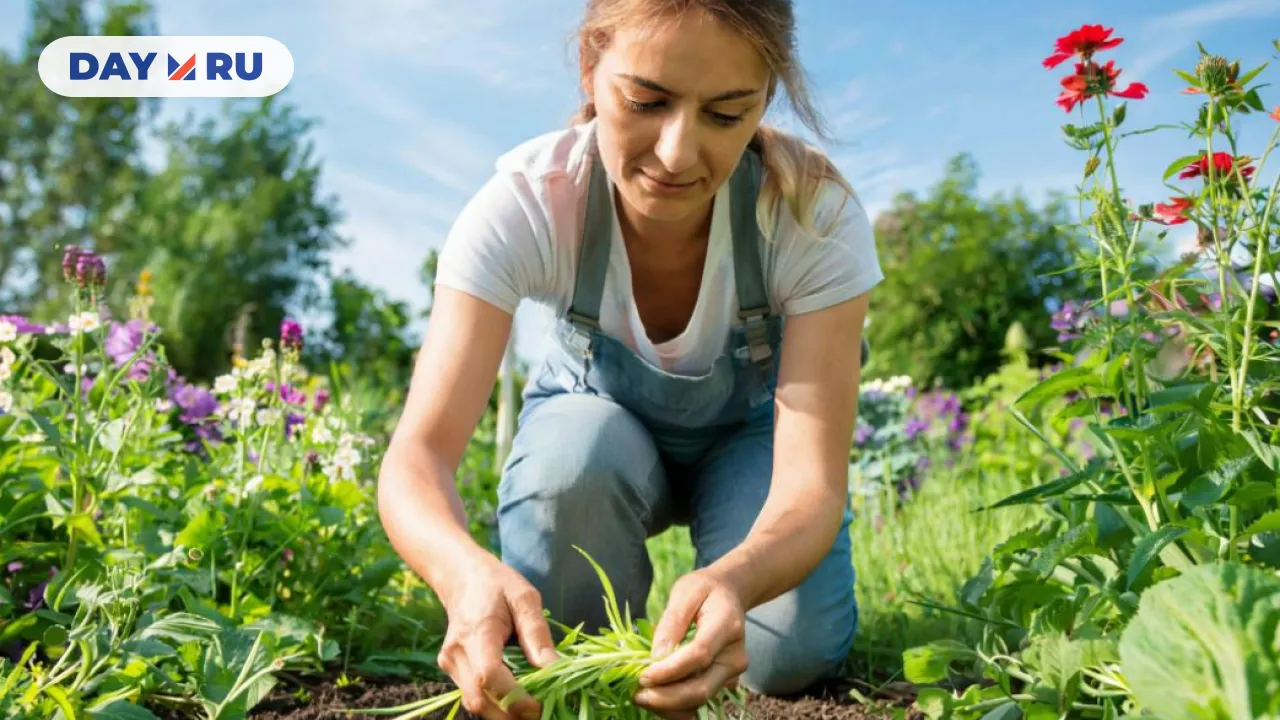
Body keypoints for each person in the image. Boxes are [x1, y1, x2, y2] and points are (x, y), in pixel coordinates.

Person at [376, 1, 882, 718]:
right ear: (589, 68)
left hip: (752, 445)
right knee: (556, 612)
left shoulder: (810, 217)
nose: (677, 152)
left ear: (765, 101)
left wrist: (737, 581)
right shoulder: (529, 204)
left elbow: (810, 491)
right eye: (647, 100)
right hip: (597, 434)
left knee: (785, 653)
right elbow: (416, 459)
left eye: (726, 114)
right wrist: (462, 576)